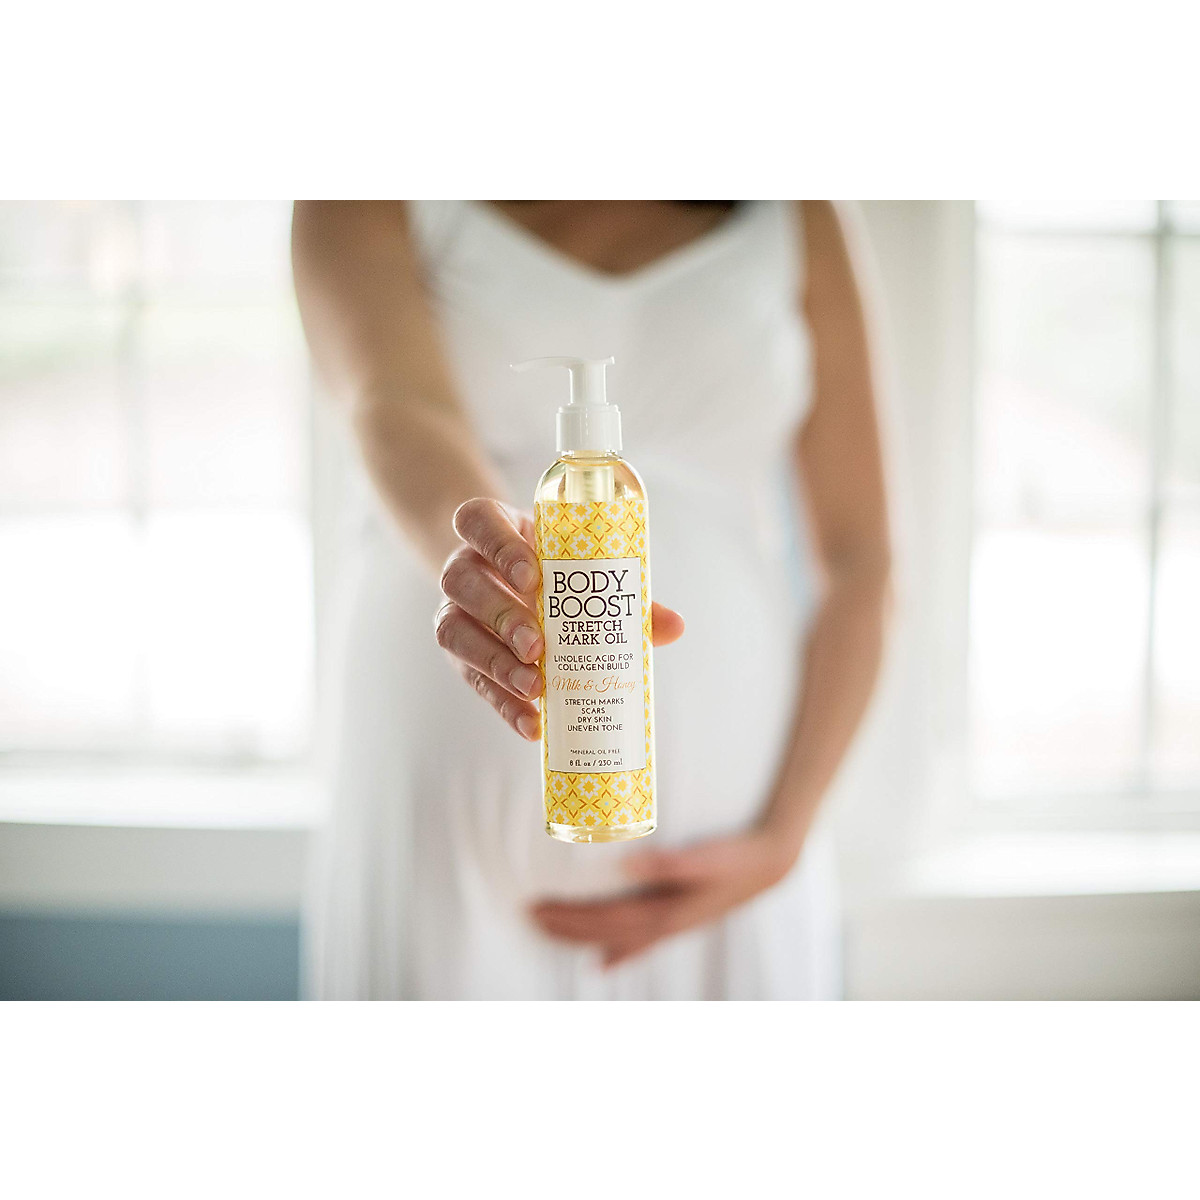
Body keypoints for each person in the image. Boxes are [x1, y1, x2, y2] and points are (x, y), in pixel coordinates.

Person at [292, 200, 891, 999]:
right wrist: (489, 564)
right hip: (447, 844)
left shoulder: (799, 207)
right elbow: (397, 404)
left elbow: (861, 562)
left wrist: (787, 832)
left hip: (733, 863)